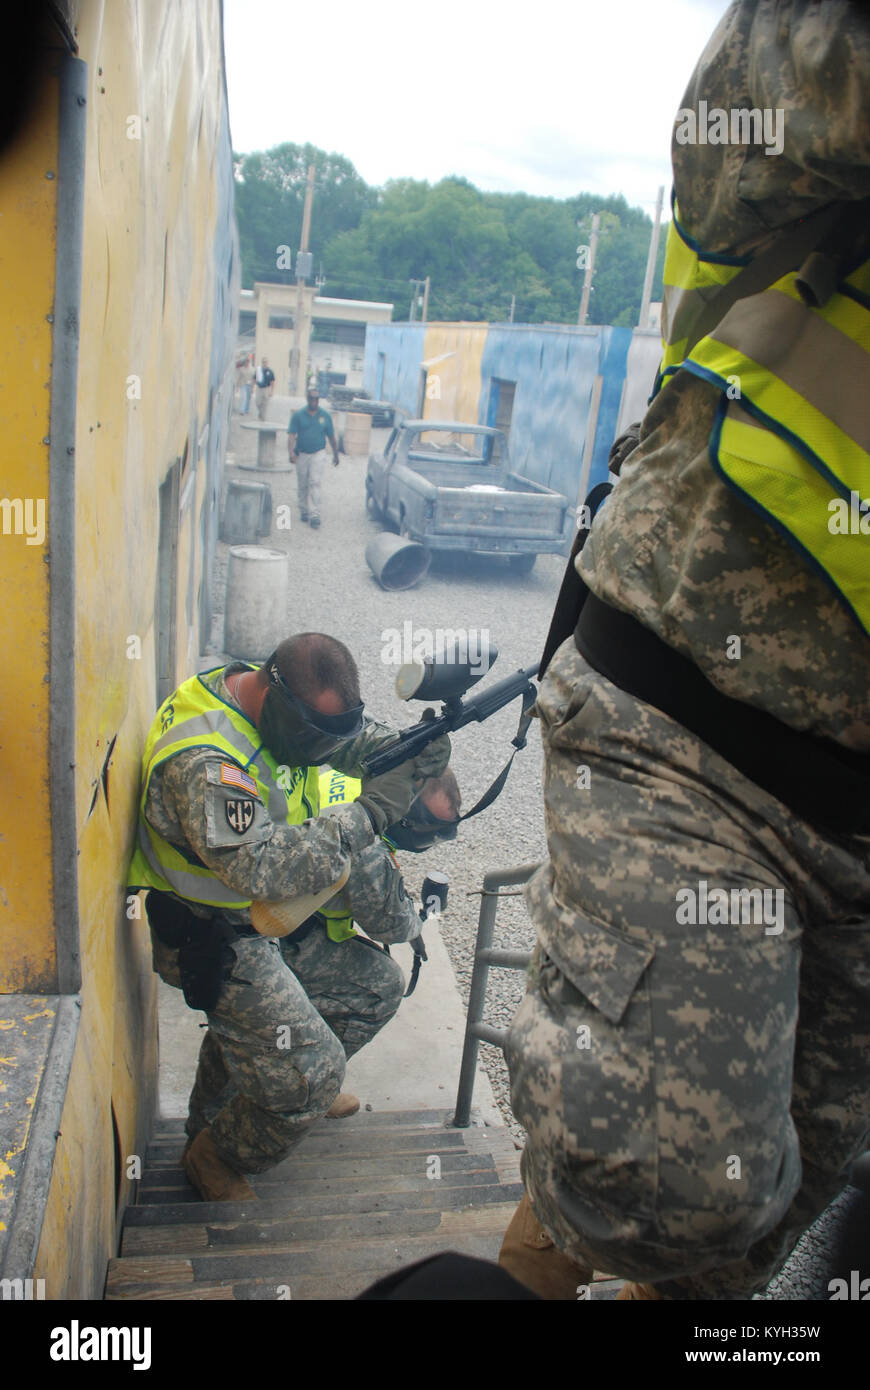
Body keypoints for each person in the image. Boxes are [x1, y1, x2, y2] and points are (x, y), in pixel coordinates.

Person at [503, 0, 870, 1301]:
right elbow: (728, 157)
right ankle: (568, 1178)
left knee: (762, 1219)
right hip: (689, 721)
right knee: (666, 1191)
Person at [127, 632, 450, 1202]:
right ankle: (217, 1152)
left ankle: (265, 1093)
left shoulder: (270, 693)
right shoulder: (206, 764)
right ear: (280, 709)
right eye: (316, 739)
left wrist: (405, 749)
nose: (325, 754)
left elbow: (345, 741)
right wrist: (371, 810)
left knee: (375, 986)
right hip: (213, 935)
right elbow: (267, 869)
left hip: (268, 924)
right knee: (316, 1075)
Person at [317, 766, 461, 944]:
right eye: (424, 830)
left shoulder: (359, 776)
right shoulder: (366, 841)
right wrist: (416, 925)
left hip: (290, 888)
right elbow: (393, 927)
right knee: (387, 973)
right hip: (299, 922)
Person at [287, 386, 340, 528]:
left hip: (318, 452)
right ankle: (304, 510)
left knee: (315, 482)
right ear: (307, 399)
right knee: (302, 483)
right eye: (311, 398)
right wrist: (291, 452)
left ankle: (315, 514)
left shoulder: (325, 416)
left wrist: (336, 453)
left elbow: (331, 436)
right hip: (302, 453)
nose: (314, 401)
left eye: (316, 399)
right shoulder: (298, 416)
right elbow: (292, 435)